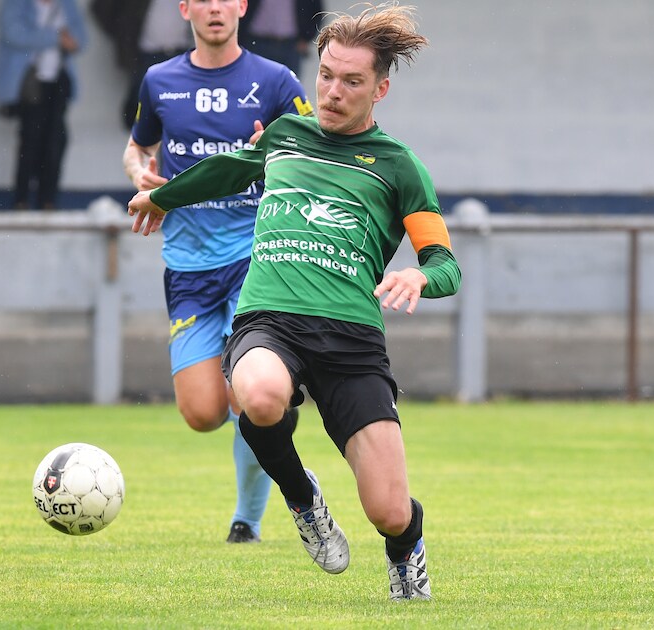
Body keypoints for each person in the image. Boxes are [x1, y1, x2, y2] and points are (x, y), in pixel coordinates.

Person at [129, 3, 460, 600]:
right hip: (269, 321)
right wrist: (164, 198)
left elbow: (445, 263)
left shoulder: (399, 166)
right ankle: (302, 498)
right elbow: (230, 170)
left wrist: (418, 278)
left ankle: (406, 551)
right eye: (327, 74)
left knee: (387, 510)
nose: (333, 91)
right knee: (256, 393)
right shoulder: (286, 135)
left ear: (380, 88)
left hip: (352, 342)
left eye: (352, 81)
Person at [121, 0, 314, 546]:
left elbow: (313, 147)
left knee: (245, 399)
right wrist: (144, 175)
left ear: (241, 7)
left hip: (254, 262)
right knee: (203, 413)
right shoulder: (159, 81)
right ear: (184, 8)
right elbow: (138, 148)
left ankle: (247, 521)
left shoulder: (274, 80)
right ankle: (276, 434)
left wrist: (270, 149)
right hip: (186, 268)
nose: (213, 8)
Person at [0, 0, 87, 210]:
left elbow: (80, 39)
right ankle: (22, 198)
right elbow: (13, 33)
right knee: (30, 139)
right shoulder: (17, 4)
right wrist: (55, 37)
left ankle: (48, 199)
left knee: (56, 140)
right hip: (30, 83)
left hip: (58, 81)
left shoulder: (66, 5)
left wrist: (64, 40)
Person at [91, 0, 191, 130]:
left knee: (180, 105)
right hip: (148, 53)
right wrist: (122, 33)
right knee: (140, 102)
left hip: (180, 51)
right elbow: (102, 8)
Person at [239, 0, 323, 77]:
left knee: (287, 88)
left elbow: (317, 10)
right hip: (255, 42)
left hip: (290, 45)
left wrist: (306, 38)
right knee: (253, 84)